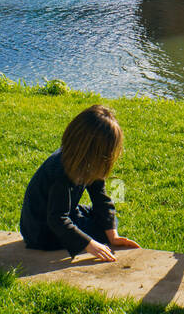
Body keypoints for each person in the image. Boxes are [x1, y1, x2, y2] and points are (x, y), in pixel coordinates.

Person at [20, 104, 139, 262]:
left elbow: (100, 197)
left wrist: (113, 236)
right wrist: (89, 245)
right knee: (98, 231)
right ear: (95, 151)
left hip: (62, 214)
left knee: (108, 221)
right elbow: (57, 219)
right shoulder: (61, 171)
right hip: (41, 231)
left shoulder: (87, 162)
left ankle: (102, 233)